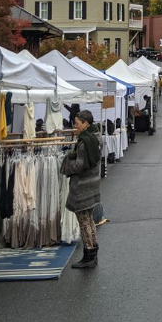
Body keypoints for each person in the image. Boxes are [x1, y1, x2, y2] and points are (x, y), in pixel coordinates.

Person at [61, 110, 103, 269]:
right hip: (92, 183)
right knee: (89, 219)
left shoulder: (85, 141)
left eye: (77, 123)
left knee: (84, 220)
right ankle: (93, 250)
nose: (75, 126)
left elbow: (79, 165)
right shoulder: (96, 137)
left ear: (85, 123)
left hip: (83, 186)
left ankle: (89, 254)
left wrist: (66, 164)